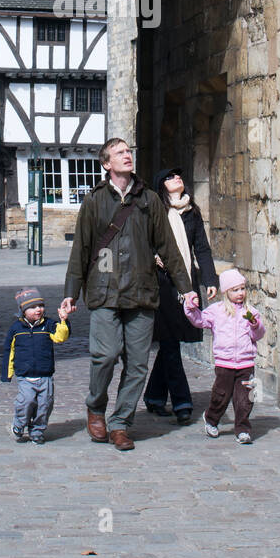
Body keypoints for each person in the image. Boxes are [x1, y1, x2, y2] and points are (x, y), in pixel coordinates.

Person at [63, 138, 196, 452]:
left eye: (129, 152)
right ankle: (96, 407)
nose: (127, 156)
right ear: (106, 163)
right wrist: (71, 293)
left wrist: (186, 289)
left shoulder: (149, 200)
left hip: (141, 292)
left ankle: (120, 423)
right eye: (120, 152)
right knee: (105, 355)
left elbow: (169, 249)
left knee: (137, 365)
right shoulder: (95, 201)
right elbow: (80, 250)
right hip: (104, 291)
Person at [144, 168, 217, 424]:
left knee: (169, 344)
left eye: (178, 175)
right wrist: (155, 256)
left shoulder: (191, 212)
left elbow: (202, 248)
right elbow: (144, 242)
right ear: (162, 185)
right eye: (170, 176)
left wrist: (210, 279)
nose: (177, 178)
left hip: (185, 283)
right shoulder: (156, 212)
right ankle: (182, 402)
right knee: (170, 342)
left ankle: (154, 396)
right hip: (161, 283)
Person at [183, 269, 264, 444]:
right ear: (226, 292)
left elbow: (258, 335)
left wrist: (256, 326)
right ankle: (211, 419)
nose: (240, 293)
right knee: (221, 395)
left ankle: (242, 429)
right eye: (235, 290)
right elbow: (199, 320)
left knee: (245, 399)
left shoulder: (250, 312)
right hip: (224, 362)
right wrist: (190, 307)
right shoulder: (216, 311)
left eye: (242, 289)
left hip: (245, 363)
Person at [0, 287, 73, 445]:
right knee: (26, 402)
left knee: (44, 405)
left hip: (45, 375)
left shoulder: (48, 325)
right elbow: (9, 351)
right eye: (32, 307)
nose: (38, 310)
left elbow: (61, 337)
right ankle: (19, 424)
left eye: (40, 306)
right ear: (22, 310)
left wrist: (63, 320)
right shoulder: (16, 329)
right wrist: (7, 373)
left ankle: (38, 430)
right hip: (25, 376)